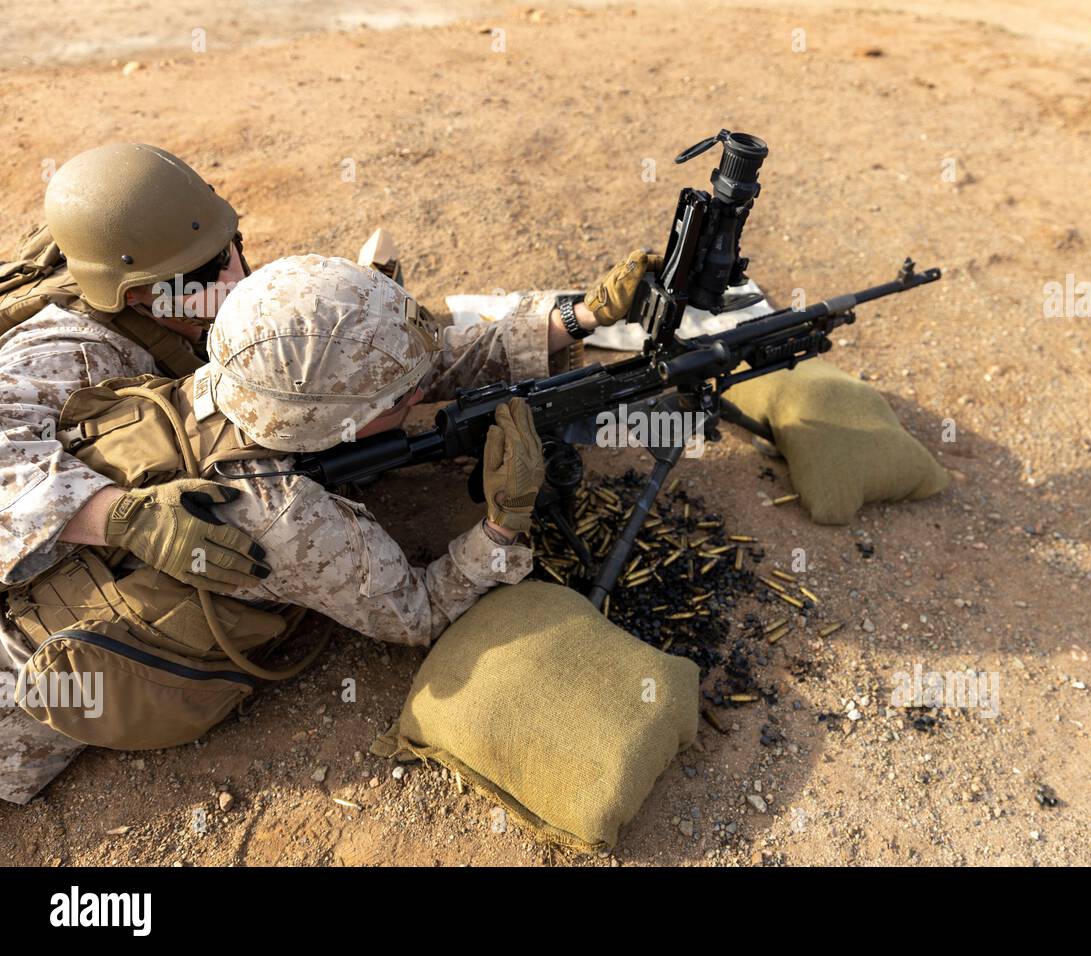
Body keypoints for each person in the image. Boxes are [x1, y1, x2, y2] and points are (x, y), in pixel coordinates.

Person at [0, 143, 659, 803]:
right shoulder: (73, 358)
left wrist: (573, 320)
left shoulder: (245, 346)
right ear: (141, 295)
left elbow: (399, 364)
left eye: (233, 248)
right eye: (207, 271)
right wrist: (501, 529)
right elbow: (419, 611)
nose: (236, 273)